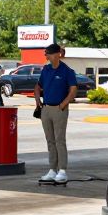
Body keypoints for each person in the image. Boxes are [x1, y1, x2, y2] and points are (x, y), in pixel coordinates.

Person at [33, 43, 77, 184]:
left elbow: (73, 90)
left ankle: (62, 170)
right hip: (46, 109)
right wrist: (37, 100)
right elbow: (38, 86)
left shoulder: (67, 71)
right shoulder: (45, 70)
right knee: (50, 140)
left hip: (59, 109)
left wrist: (63, 104)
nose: (47, 56)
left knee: (59, 140)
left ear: (58, 54)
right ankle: (52, 169)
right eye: (46, 53)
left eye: (49, 53)